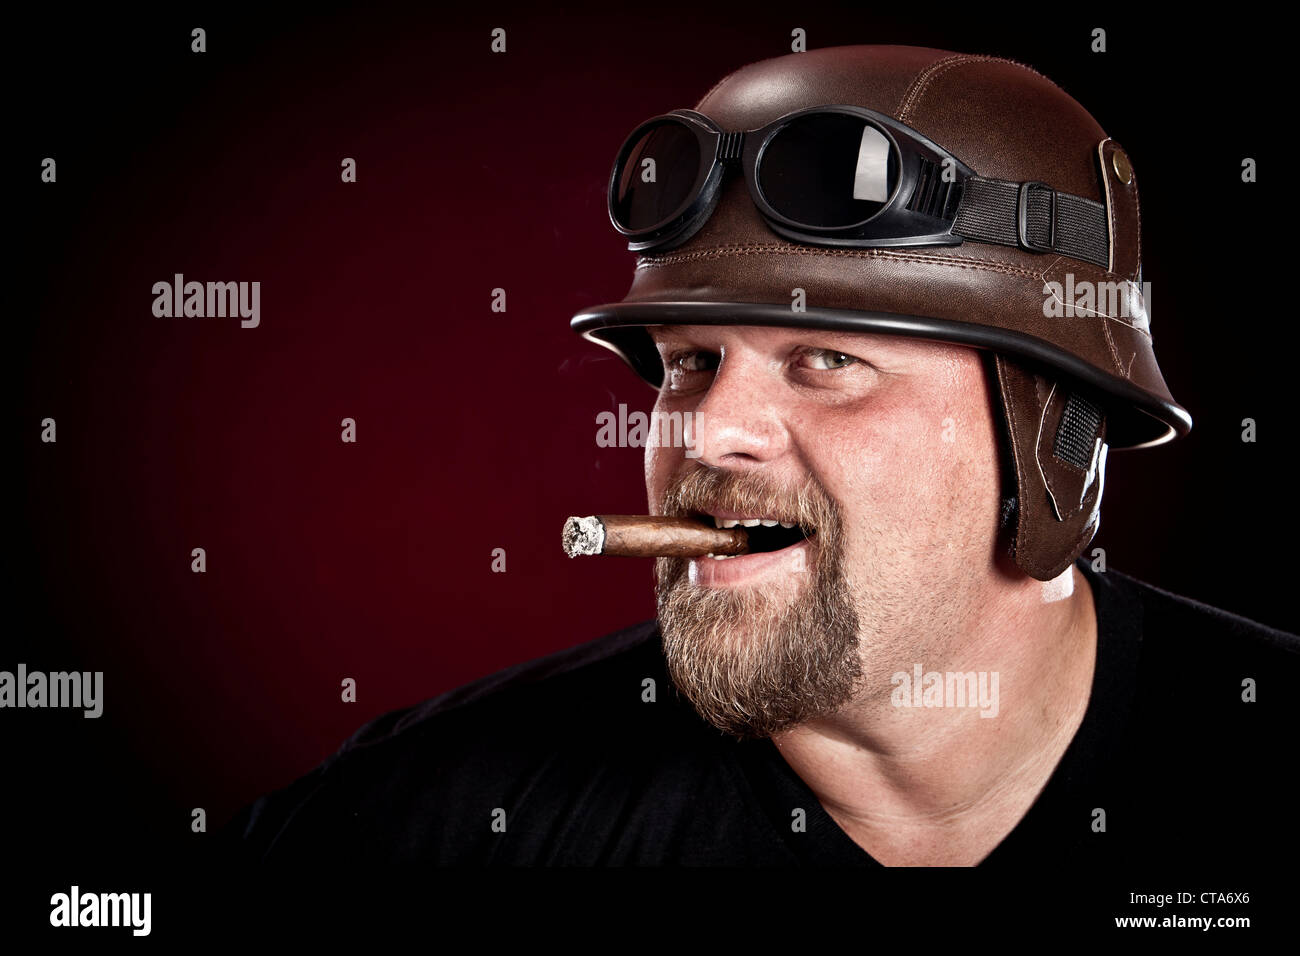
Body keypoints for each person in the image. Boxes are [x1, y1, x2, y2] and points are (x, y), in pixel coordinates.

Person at [221, 45, 1297, 868]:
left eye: (824, 359)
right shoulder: (445, 820)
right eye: (691, 361)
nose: (703, 430)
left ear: (1055, 434)